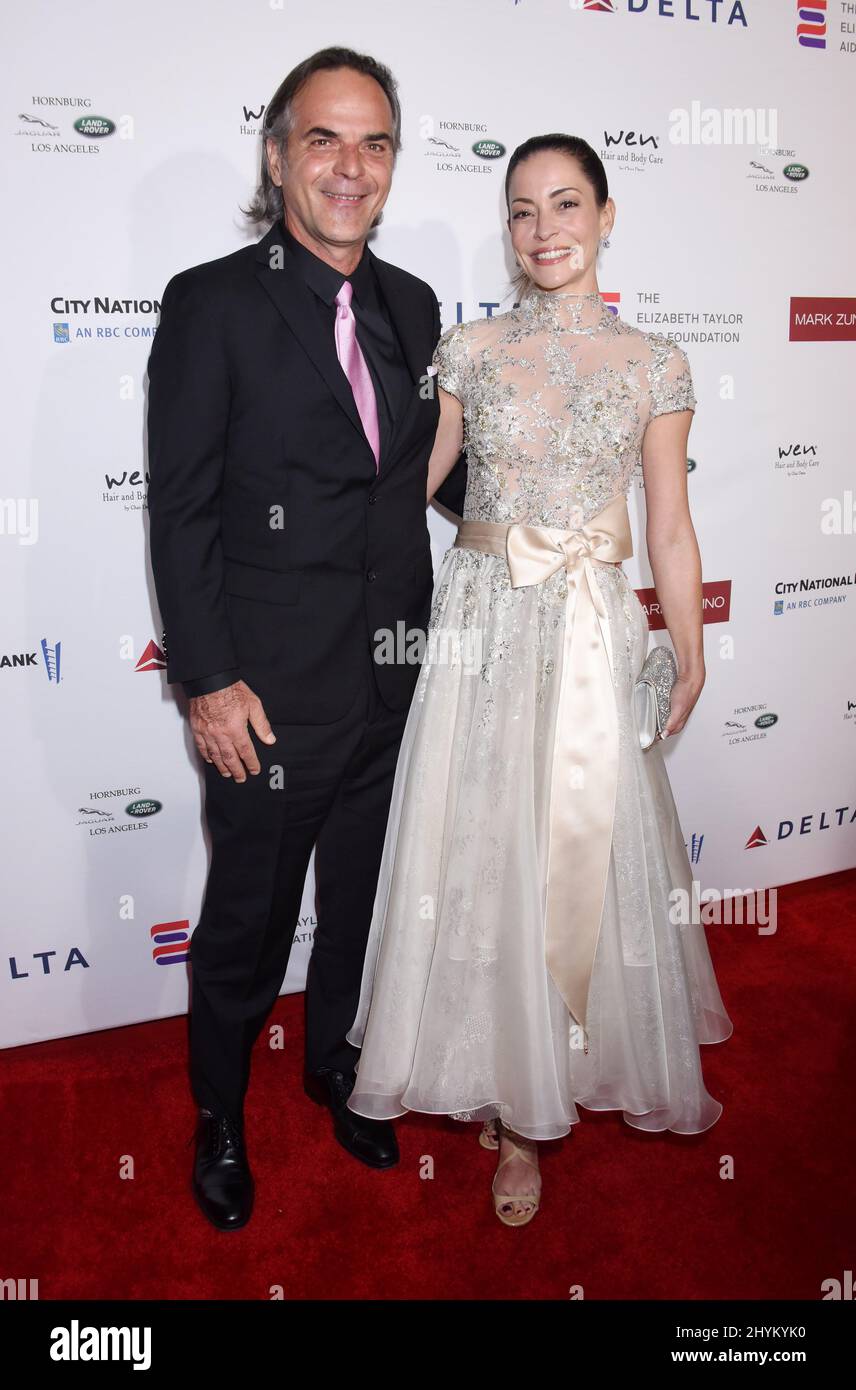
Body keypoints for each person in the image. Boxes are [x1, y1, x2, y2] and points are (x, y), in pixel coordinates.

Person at [346, 134, 733, 1227]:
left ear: (607, 216)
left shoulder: (655, 360)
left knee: (574, 849)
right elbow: (411, 485)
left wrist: (692, 642)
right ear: (505, 226)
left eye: (566, 205)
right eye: (522, 210)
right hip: (475, 625)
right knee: (475, 847)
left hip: (588, 627)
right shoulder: (466, 347)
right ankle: (492, 1061)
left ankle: (534, 1107)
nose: (544, 229)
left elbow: (668, 523)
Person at [146, 47, 467, 1232]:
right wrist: (208, 680)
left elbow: (427, 476)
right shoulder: (213, 302)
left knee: (367, 901)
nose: (350, 166)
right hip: (269, 693)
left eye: (373, 142)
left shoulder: (413, 305)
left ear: (391, 164)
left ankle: (337, 1064)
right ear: (278, 153)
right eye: (323, 139)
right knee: (248, 918)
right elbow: (178, 508)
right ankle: (219, 1114)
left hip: (395, 675)